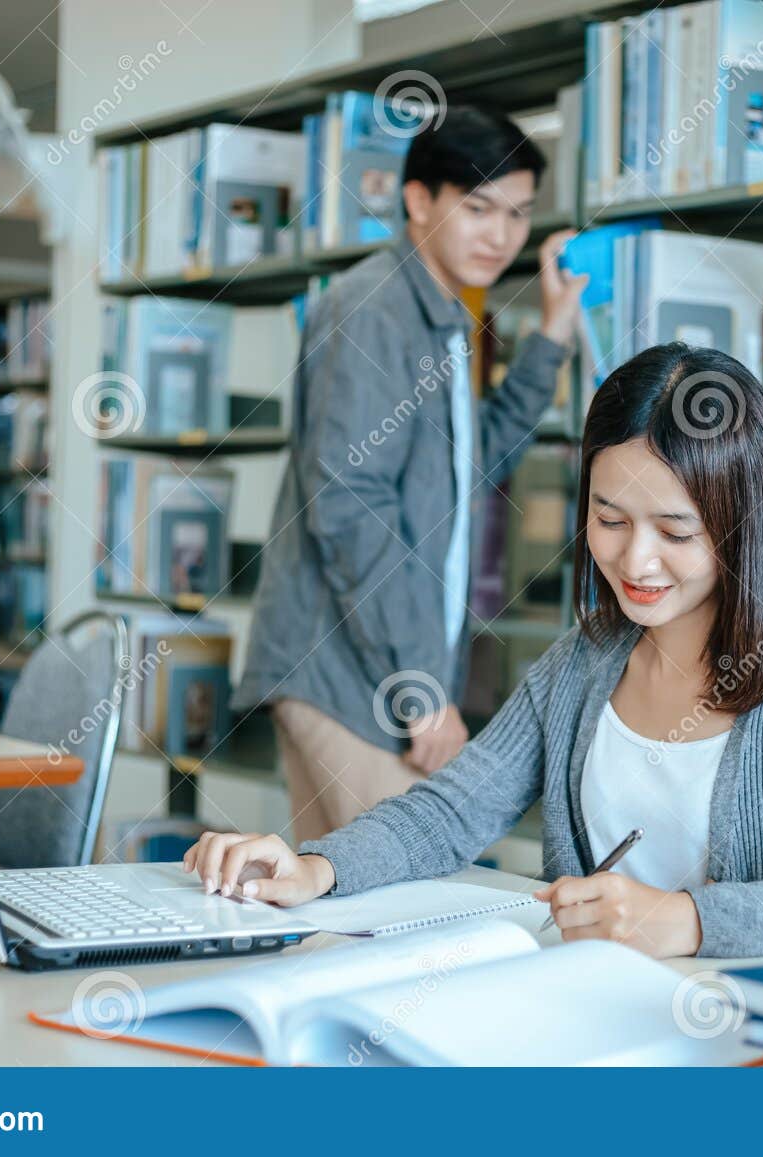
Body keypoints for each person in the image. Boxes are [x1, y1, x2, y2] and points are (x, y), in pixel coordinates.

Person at [193, 343, 763, 959]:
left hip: (747, 1040)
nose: (636, 561)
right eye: (609, 518)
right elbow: (450, 811)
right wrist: (317, 868)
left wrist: (685, 921)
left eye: (676, 532)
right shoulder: (581, 662)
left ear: (742, 527)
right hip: (589, 1020)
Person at [233, 104, 587, 843]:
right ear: (419, 199)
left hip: (371, 672)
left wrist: (551, 333)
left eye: (519, 214)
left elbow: (477, 459)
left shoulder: (443, 313)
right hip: (347, 677)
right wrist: (418, 682)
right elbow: (348, 503)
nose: (501, 235)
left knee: (343, 919)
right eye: (480, 207)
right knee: (409, 897)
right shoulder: (374, 311)